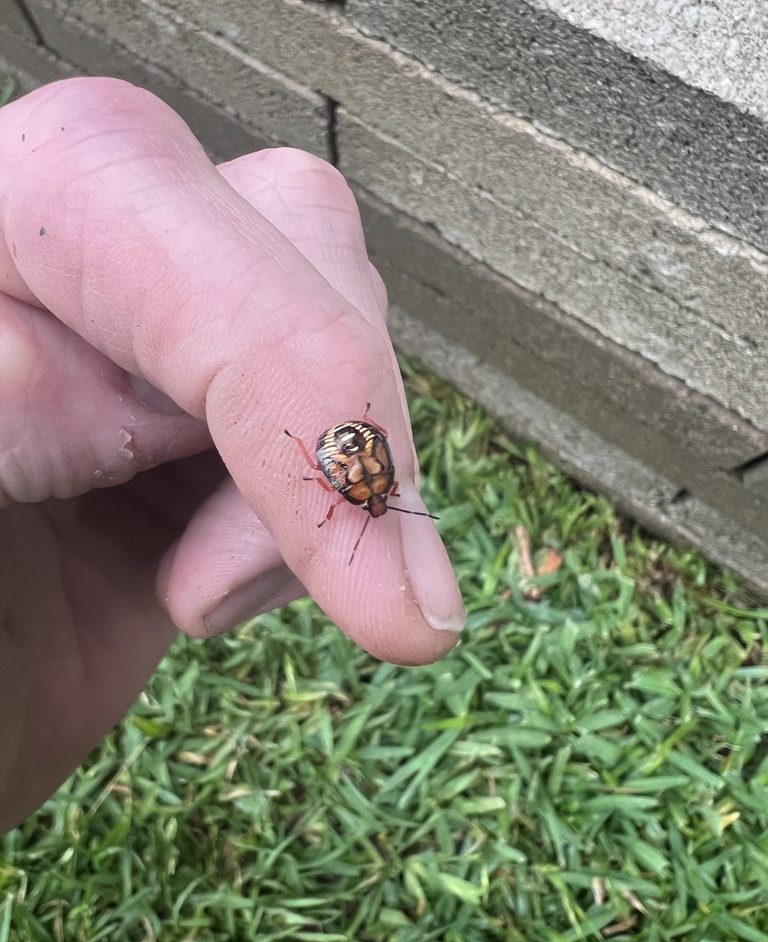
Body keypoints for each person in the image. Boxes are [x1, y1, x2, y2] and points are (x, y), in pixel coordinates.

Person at [0, 80, 464, 841]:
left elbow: (349, 451)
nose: (380, 506)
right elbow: (349, 448)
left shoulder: (356, 488)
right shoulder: (360, 491)